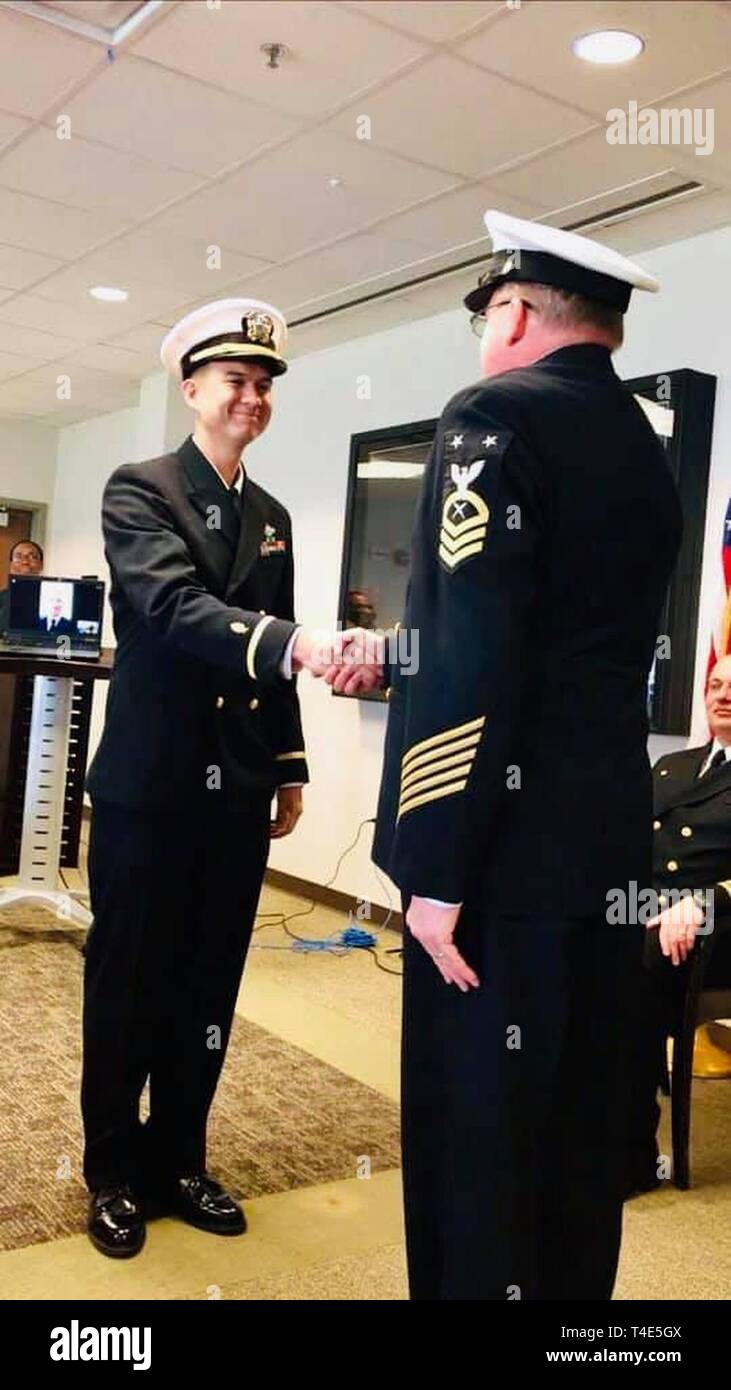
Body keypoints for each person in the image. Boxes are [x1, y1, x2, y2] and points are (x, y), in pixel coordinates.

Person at [364, 210, 683, 1300]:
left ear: (510, 312)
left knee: (477, 1148)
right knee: (577, 1143)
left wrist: (436, 869)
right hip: (603, 850)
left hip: (496, 865)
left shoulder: (492, 412)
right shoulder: (645, 443)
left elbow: (473, 649)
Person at [82, 297, 379, 1258]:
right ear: (192, 388)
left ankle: (180, 1162)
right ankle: (114, 1174)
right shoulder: (140, 488)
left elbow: (268, 670)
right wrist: (299, 645)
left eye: (264, 385)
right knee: (129, 981)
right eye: (235, 382)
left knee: (208, 984)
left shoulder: (273, 516)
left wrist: (290, 769)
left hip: (236, 792)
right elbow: (171, 609)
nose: (252, 397)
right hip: (150, 787)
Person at [628, 653, 731, 1193]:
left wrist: (704, 902)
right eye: (714, 684)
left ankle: (630, 1152)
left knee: (632, 966)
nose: (722, 696)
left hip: (719, 929)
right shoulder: (675, 765)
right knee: (568, 943)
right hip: (648, 911)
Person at [0, 538, 44, 635]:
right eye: (18, 557)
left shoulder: (50, 598)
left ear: (41, 565)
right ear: (11, 564)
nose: (25, 562)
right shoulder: (1, 598)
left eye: (32, 557)